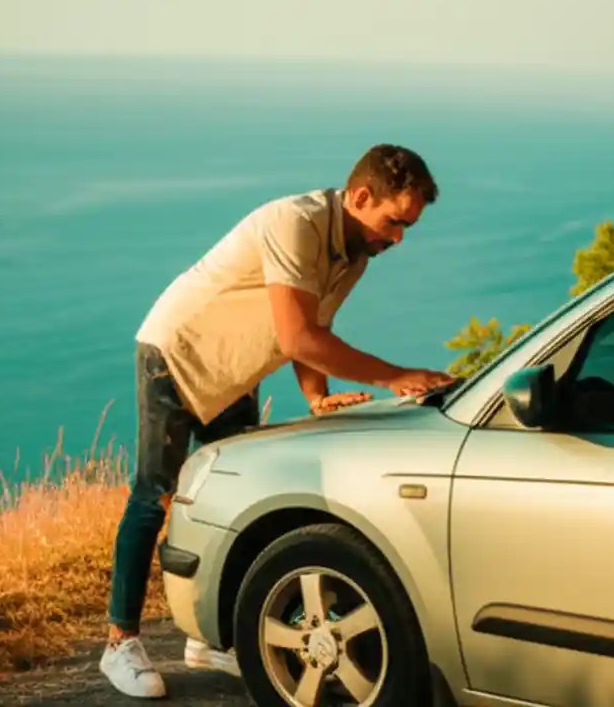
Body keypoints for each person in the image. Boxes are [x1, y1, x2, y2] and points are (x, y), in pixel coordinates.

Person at [100, 143, 457, 698]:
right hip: (177, 353)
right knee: (155, 495)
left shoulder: (356, 251)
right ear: (361, 196)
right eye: (394, 221)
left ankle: (207, 640)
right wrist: (394, 376)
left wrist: (317, 396)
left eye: (407, 226)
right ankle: (119, 644)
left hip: (235, 370)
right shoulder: (297, 223)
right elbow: (297, 337)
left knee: (237, 498)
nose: (398, 238)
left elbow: (310, 330)